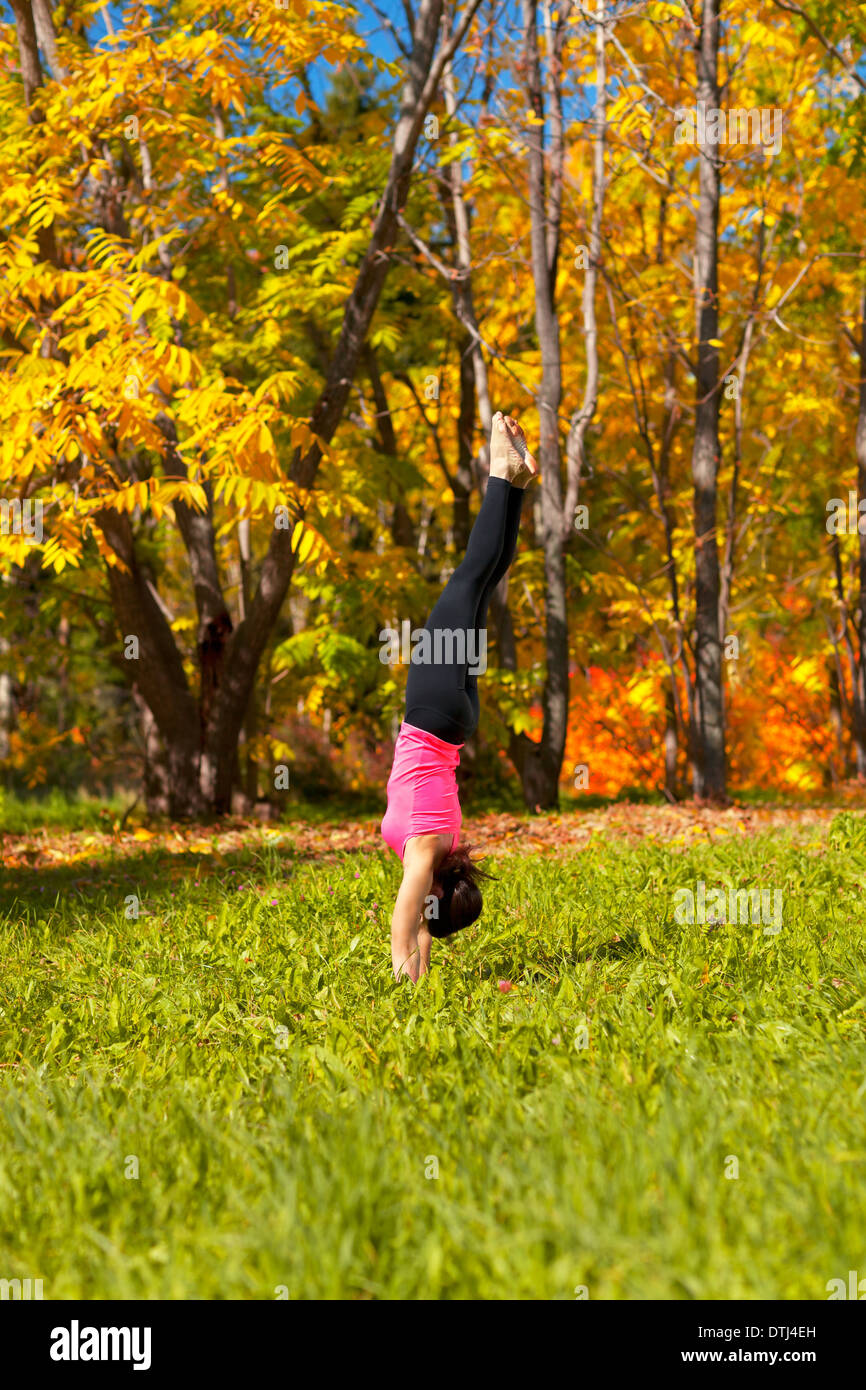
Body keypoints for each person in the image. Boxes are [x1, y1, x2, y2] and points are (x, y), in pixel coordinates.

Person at [381, 412, 538, 981]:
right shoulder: (423, 853)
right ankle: (501, 472)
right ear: (434, 891)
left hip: (457, 719)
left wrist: (423, 958)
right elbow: (407, 921)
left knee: (481, 584)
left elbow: (419, 921)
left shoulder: (440, 847)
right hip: (433, 712)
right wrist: (408, 980)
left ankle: (515, 484)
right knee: (468, 580)